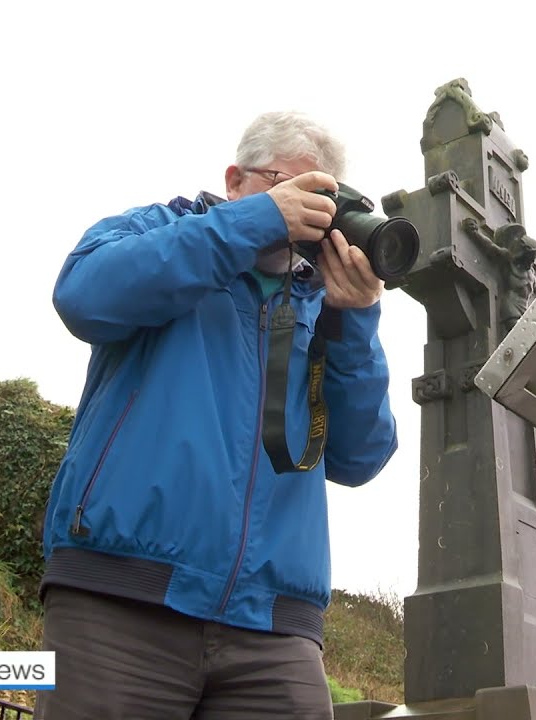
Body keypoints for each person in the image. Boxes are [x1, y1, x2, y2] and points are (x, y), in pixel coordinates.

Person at [34, 111, 399, 719]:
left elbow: (360, 457)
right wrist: (256, 223)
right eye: (291, 187)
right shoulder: (159, 229)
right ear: (235, 180)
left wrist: (355, 316)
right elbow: (83, 296)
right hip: (123, 593)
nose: (308, 212)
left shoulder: (320, 306)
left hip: (274, 622)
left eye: (324, 199)